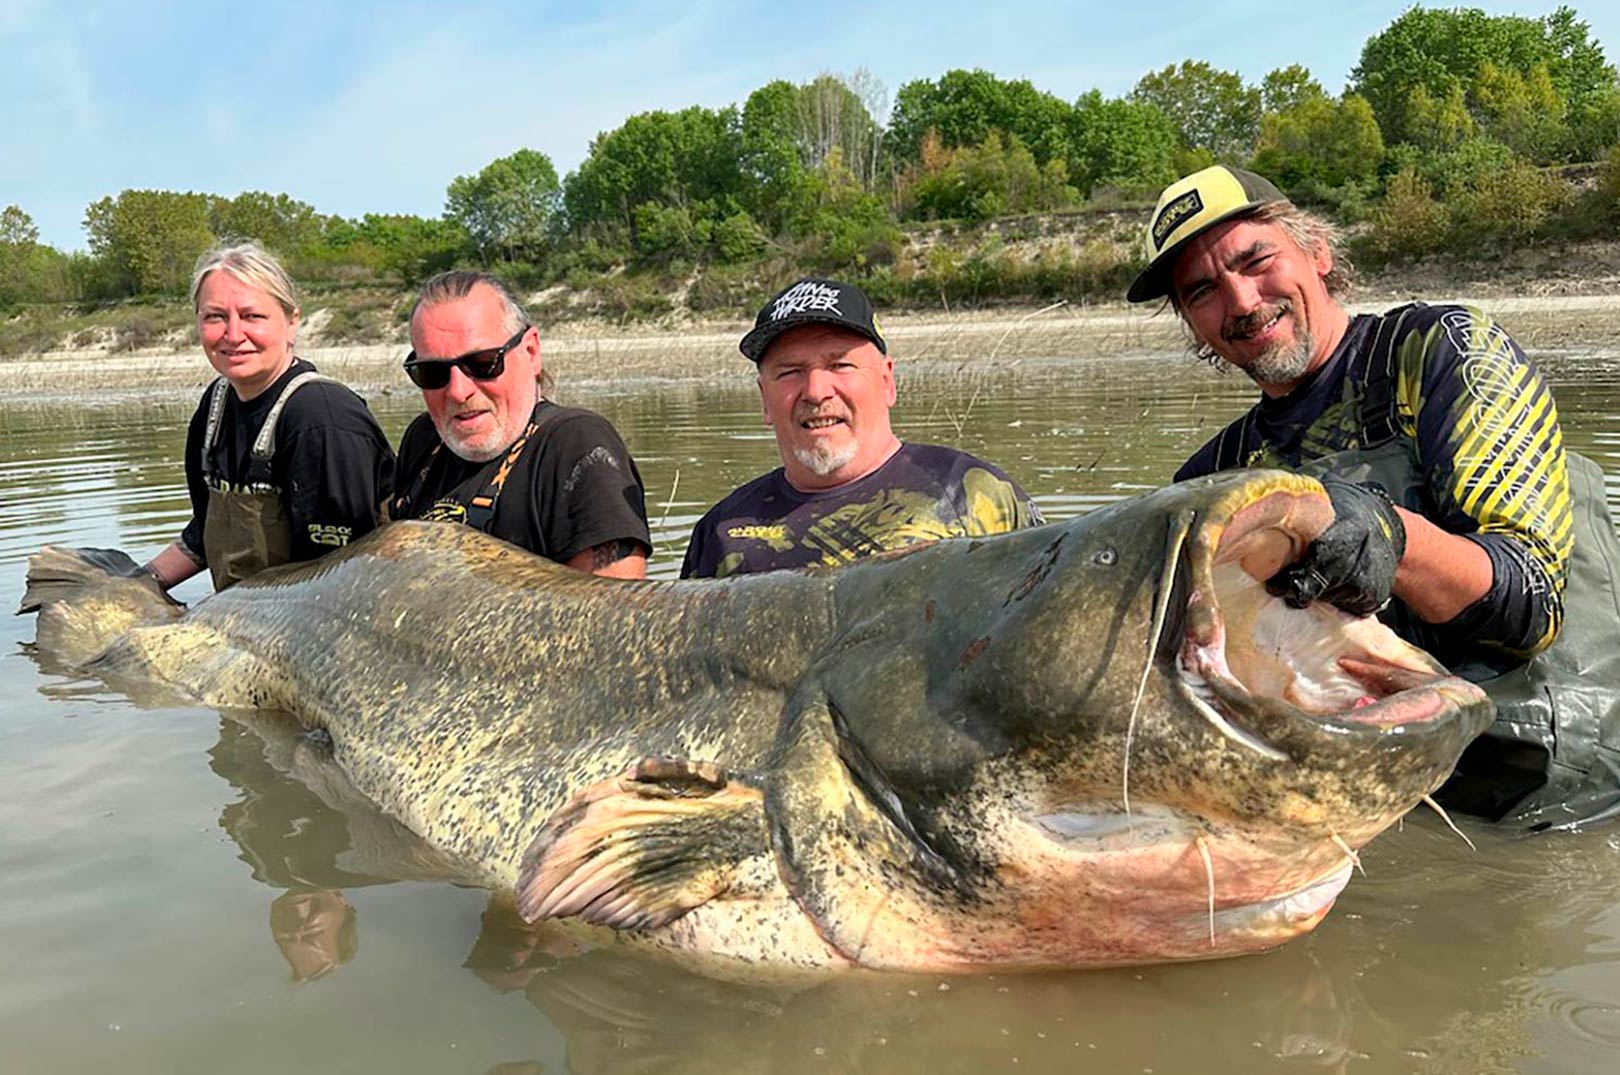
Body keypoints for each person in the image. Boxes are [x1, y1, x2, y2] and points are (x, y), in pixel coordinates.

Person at [1129, 164, 1620, 825]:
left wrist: (1387, 533)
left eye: (1256, 261)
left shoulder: (1440, 351)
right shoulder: (1209, 476)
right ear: (1193, 323)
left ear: (1319, 251)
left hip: (1564, 798)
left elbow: (1526, 601)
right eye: (1204, 291)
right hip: (1380, 806)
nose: (1242, 302)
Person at [682, 277, 1042, 579]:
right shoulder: (721, 530)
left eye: (840, 365)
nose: (816, 391)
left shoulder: (973, 494)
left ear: (887, 381)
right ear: (764, 399)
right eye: (790, 372)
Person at [144, 242, 394, 593]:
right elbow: (207, 530)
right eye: (215, 316)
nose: (233, 334)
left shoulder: (321, 418)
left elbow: (340, 573)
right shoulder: (214, 406)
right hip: (247, 610)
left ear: (292, 323)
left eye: (252, 316)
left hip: (329, 610)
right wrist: (140, 583)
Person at [390, 271, 651, 578]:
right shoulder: (424, 440)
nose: (458, 391)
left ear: (531, 352)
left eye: (483, 363)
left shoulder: (575, 445)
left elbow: (615, 614)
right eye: (432, 372)